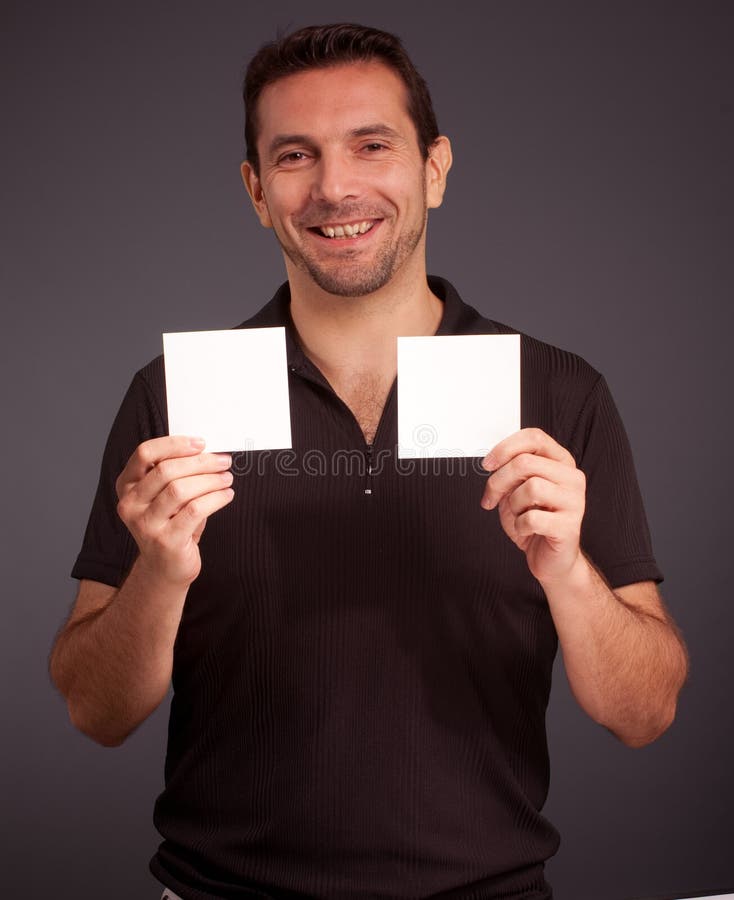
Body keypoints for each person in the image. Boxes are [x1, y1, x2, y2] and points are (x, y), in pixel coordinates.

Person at [49, 23, 688, 900]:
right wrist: (159, 574)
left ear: (435, 167)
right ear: (257, 191)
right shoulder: (175, 400)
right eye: (295, 156)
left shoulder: (559, 392)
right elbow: (95, 711)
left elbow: (646, 714)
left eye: (372, 145)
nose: (335, 186)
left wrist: (568, 574)